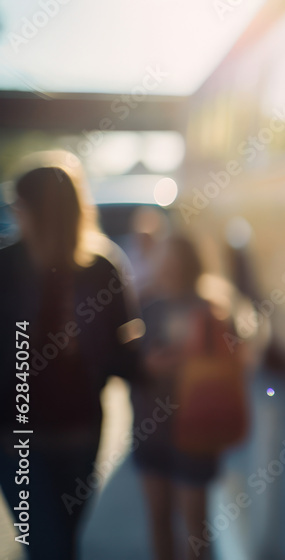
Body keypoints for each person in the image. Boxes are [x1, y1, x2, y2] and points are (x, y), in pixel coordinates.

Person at [0, 151, 143, 559]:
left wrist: (153, 366)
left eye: (19, 204)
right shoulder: (5, 267)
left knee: (65, 539)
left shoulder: (102, 268)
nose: (14, 214)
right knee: (47, 545)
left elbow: (120, 351)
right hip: (15, 436)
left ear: (41, 211)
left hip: (80, 430)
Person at [131, 234, 229, 560]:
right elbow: (127, 361)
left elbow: (230, 367)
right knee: (158, 519)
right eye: (164, 259)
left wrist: (191, 361)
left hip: (196, 429)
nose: (169, 268)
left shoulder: (212, 309)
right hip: (150, 427)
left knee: (195, 526)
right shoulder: (144, 305)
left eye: (176, 261)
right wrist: (145, 364)